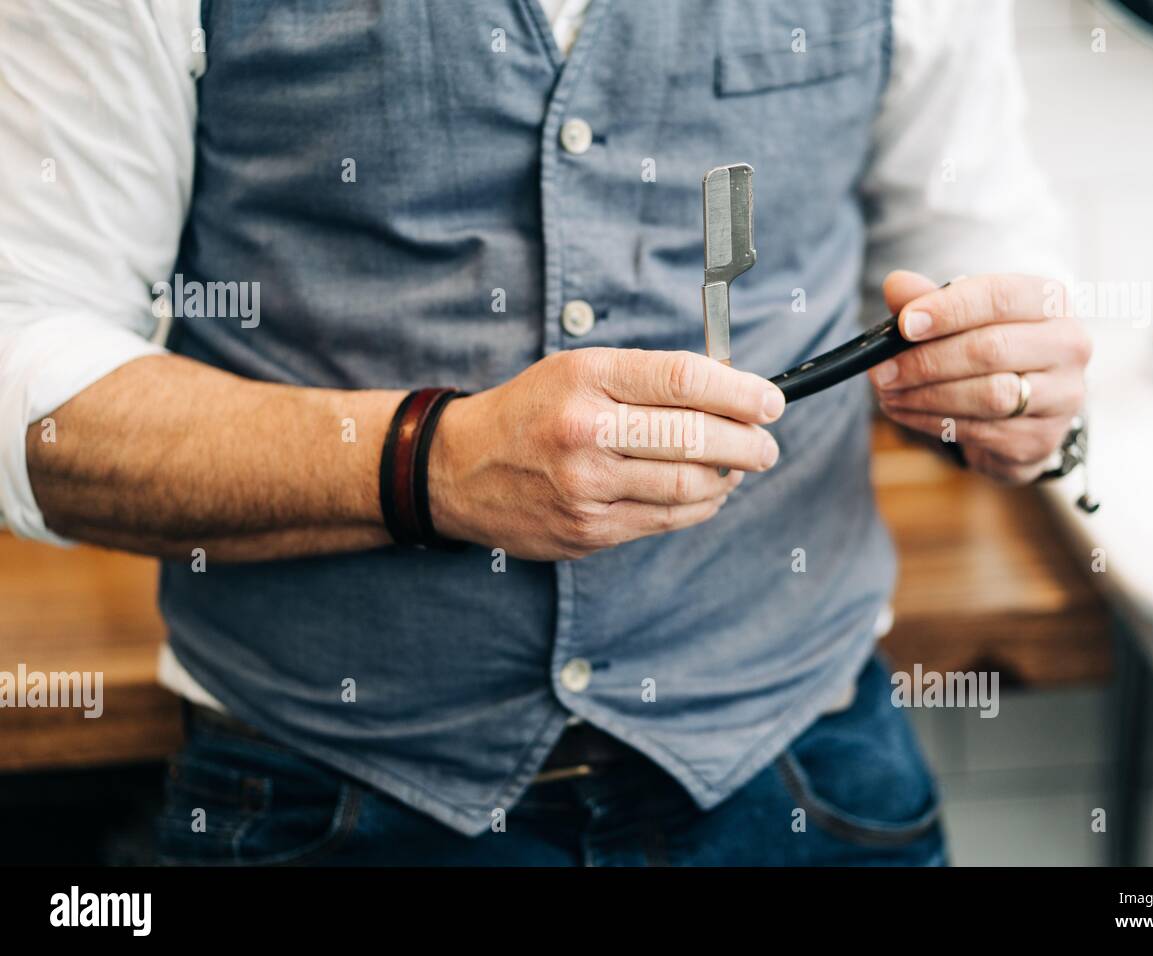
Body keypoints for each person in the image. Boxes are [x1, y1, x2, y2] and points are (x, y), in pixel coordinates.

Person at [0, 0, 1090, 865]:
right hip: (327, 797)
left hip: (805, 768)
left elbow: (979, 240)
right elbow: (30, 382)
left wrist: (1015, 384)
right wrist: (430, 462)